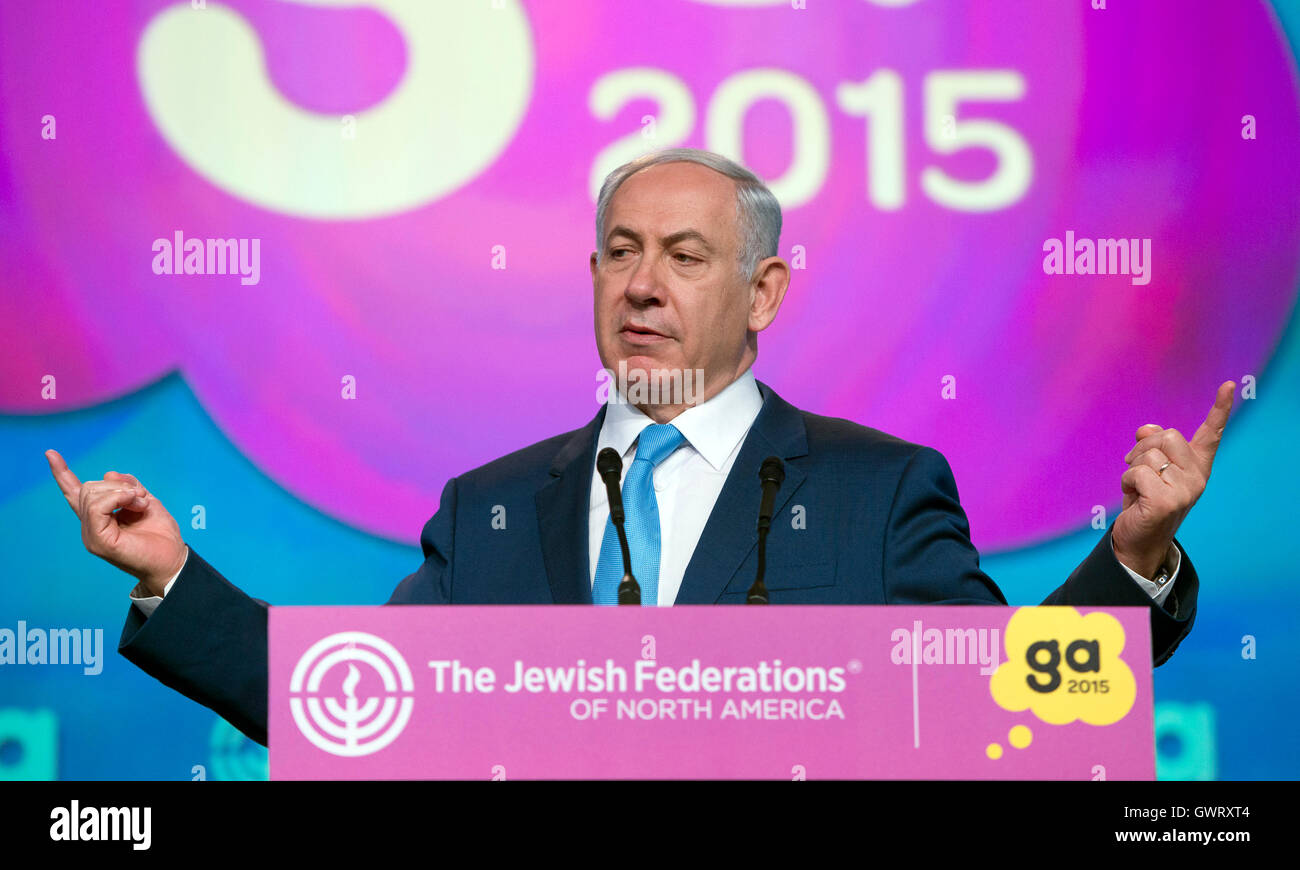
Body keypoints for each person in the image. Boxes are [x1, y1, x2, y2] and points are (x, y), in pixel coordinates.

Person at [45, 148, 1234, 747]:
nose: (642, 284)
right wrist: (169, 575)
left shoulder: (879, 490)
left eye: (683, 255)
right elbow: (368, 713)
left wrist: (1131, 560)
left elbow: (995, 708)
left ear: (763, 290)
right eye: (619, 251)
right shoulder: (492, 507)